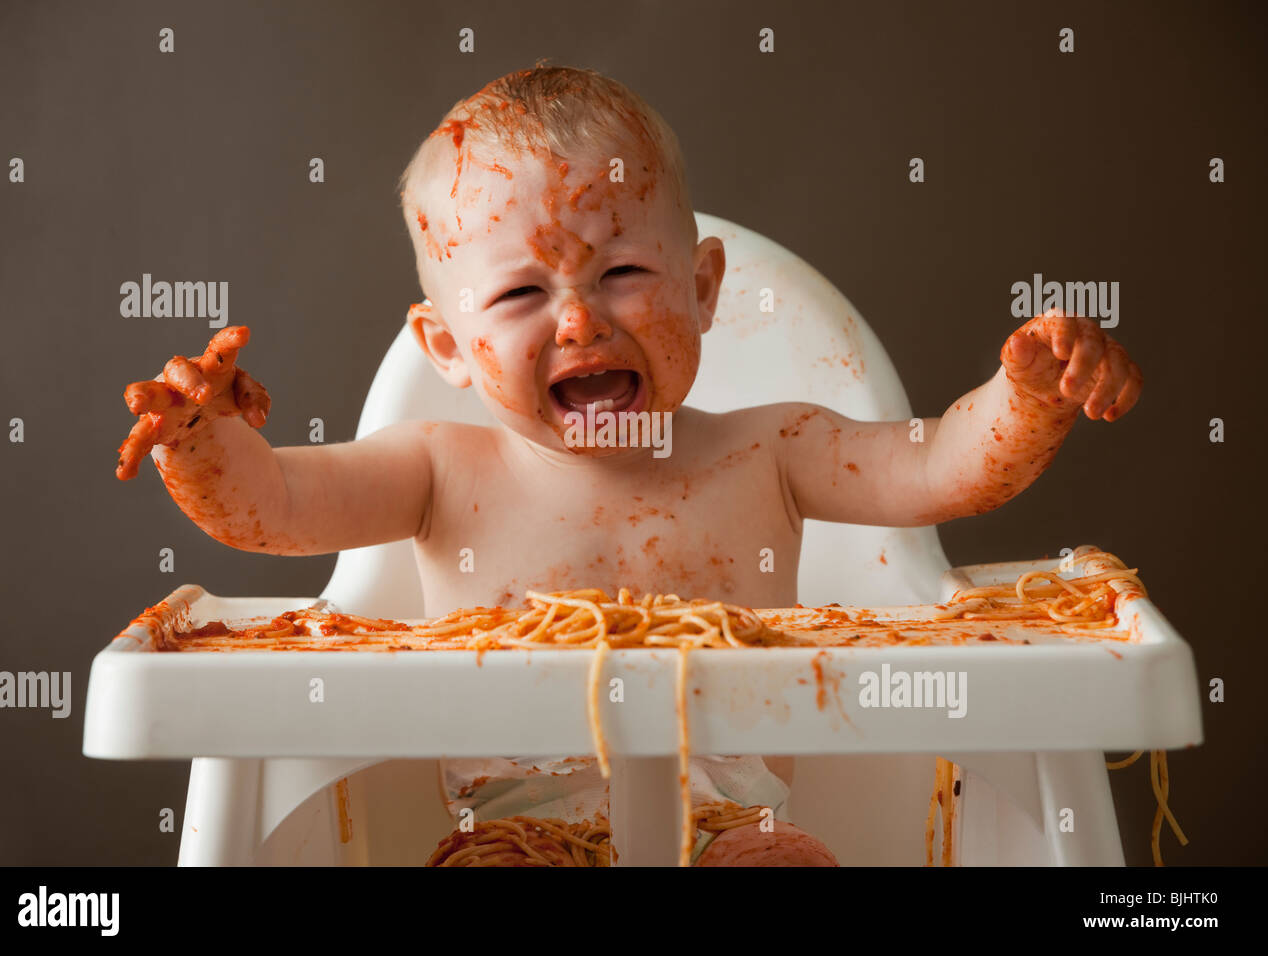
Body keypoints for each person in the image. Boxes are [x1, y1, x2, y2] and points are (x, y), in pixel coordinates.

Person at [115, 64, 1141, 865]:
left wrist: (1030, 397)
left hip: (735, 826)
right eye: (519, 296)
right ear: (445, 347)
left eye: (625, 272)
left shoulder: (770, 450)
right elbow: (274, 506)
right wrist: (203, 442)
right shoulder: (437, 468)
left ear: (702, 288)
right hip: (509, 837)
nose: (577, 318)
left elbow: (938, 468)